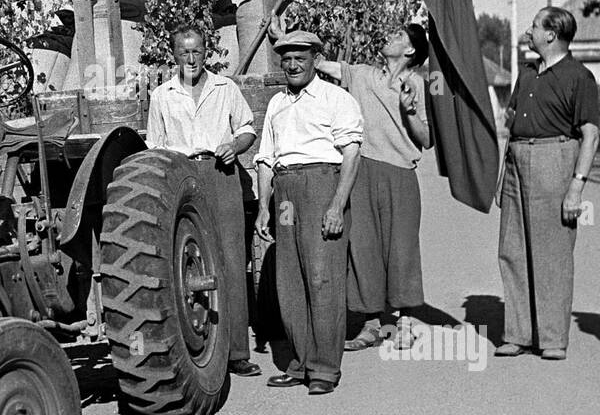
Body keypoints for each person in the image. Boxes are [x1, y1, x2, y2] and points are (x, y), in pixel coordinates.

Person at [254, 29, 364, 395]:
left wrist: (337, 204)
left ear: (316, 59)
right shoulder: (276, 104)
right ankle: (299, 363)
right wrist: (263, 210)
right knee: (290, 281)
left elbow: (351, 154)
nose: (292, 64)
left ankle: (324, 369)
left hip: (321, 185)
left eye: (300, 57)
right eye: (285, 58)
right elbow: (266, 160)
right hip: (285, 193)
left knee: (322, 278)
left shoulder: (337, 98)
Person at [146, 26, 259, 376]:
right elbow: (155, 146)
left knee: (229, 258)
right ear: (174, 55)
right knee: (189, 261)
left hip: (221, 173)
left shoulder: (225, 89)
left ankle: (238, 352)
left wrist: (235, 146)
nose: (191, 59)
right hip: (181, 176)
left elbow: (247, 129)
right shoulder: (162, 96)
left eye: (196, 52)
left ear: (206, 52)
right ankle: (200, 346)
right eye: (183, 53)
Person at [496, 6, 600, 360]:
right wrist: (501, 179)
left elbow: (590, 135)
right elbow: (509, 127)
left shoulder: (579, 77)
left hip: (553, 159)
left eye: (534, 26)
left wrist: (576, 187)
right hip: (516, 160)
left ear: (552, 34)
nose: (528, 31)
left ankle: (553, 338)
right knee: (512, 250)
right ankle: (518, 333)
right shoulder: (526, 75)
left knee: (552, 253)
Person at [328, 24, 433, 352]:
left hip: (400, 174)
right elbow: (318, 64)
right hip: (362, 170)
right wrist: (279, 36)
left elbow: (427, 139)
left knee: (401, 250)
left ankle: (405, 322)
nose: (390, 35)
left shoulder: (418, 84)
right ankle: (371, 325)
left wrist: (410, 109)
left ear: (411, 51)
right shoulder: (361, 74)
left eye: (400, 35)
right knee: (363, 249)